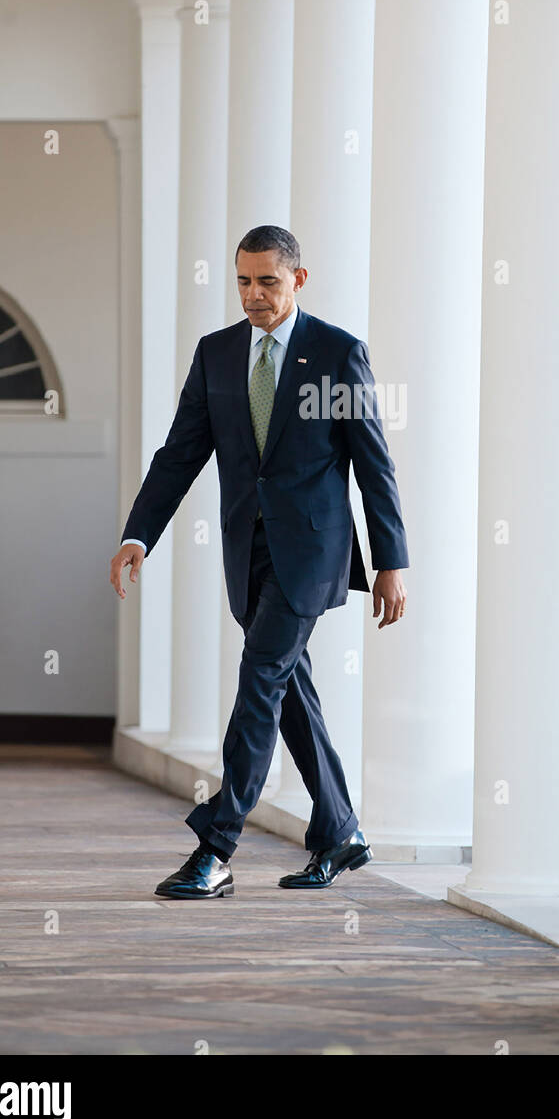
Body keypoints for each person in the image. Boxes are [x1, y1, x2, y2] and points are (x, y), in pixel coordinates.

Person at [110, 225, 409, 899]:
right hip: (247, 553)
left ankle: (216, 849)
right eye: (243, 281)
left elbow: (373, 465)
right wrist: (139, 535)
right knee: (289, 692)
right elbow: (180, 453)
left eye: (267, 281)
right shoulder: (217, 355)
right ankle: (340, 832)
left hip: (313, 555)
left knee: (259, 683)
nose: (253, 294)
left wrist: (391, 560)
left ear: (298, 279)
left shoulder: (337, 353)